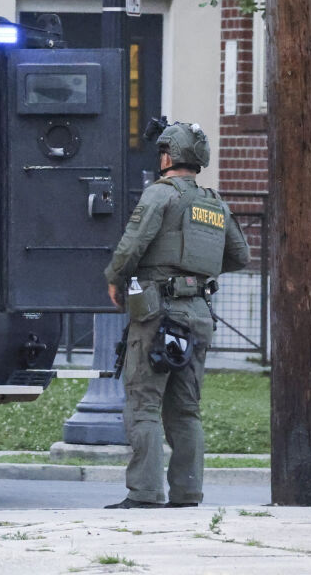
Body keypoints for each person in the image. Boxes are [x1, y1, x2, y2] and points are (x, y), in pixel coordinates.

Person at [102, 120, 250, 510]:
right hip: (199, 312)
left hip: (157, 312)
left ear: (167, 156)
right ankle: (187, 494)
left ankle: (145, 494)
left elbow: (132, 246)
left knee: (144, 402)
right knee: (186, 408)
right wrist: (196, 273)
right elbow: (241, 255)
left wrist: (115, 279)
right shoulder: (214, 202)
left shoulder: (159, 195)